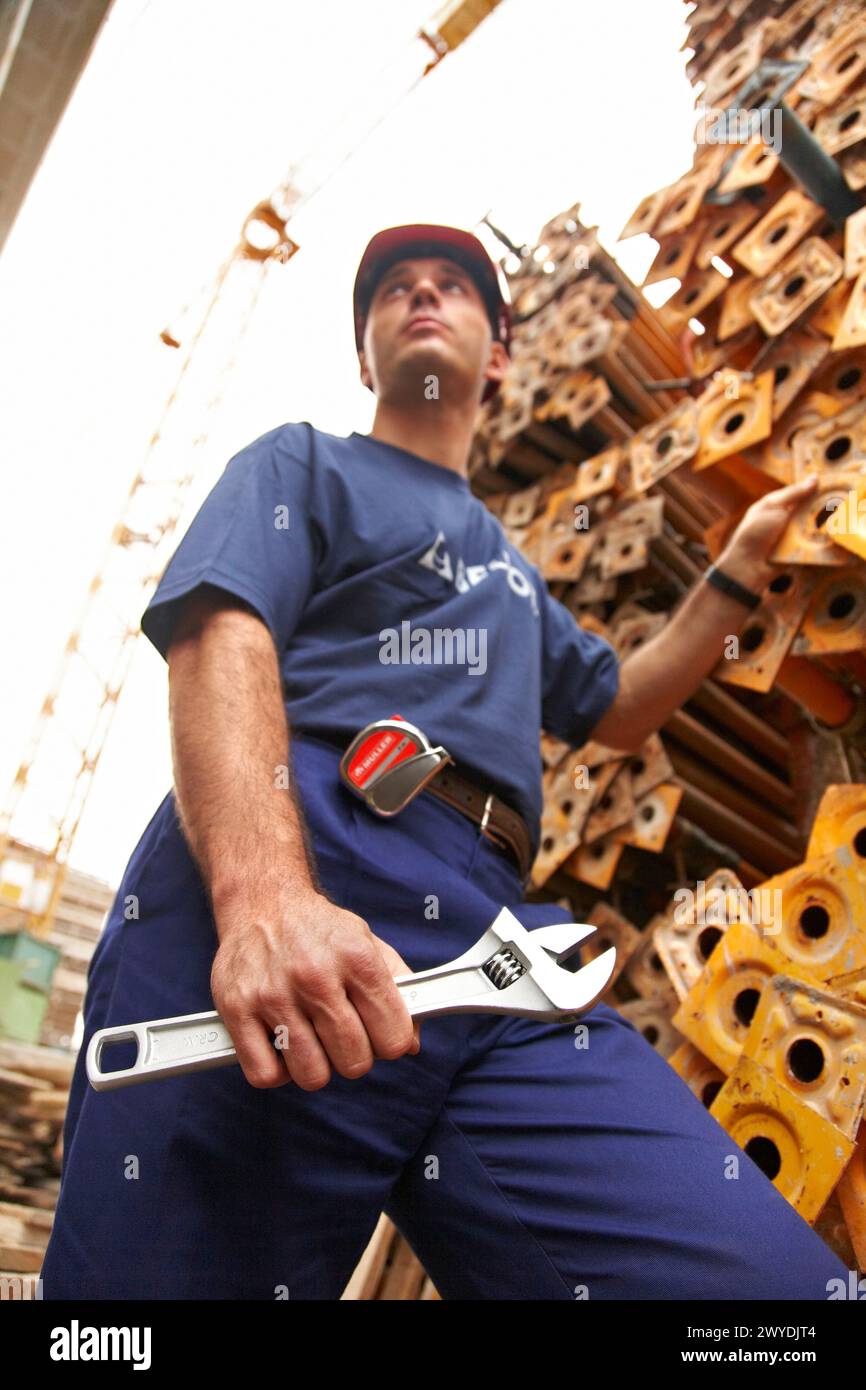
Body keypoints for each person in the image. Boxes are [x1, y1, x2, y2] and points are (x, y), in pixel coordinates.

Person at [41, 223, 844, 1300]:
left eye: (452, 286)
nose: (422, 296)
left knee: (762, 1299)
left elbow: (617, 705)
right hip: (303, 855)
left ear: (500, 351)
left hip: (493, 944)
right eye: (395, 291)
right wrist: (264, 895)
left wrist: (735, 573)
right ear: (365, 357)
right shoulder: (301, 464)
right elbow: (220, 634)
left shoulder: (513, 576)